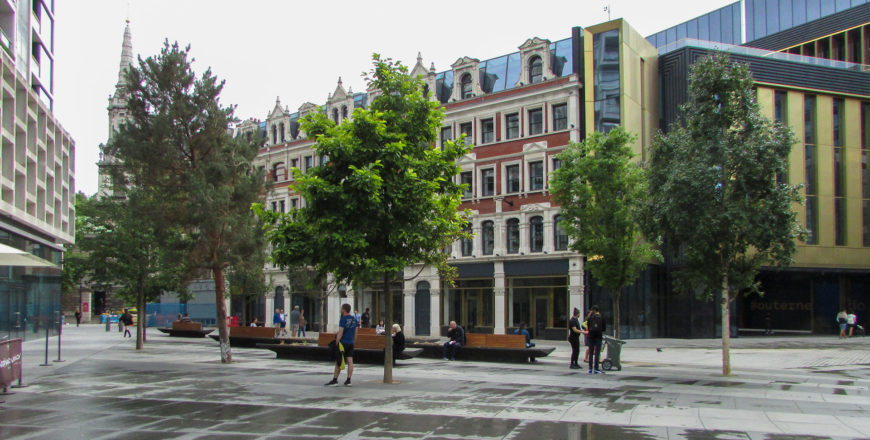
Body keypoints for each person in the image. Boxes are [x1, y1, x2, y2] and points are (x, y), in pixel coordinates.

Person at [325, 303, 357, 387]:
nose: (340, 309)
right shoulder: (354, 319)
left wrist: (336, 343)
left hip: (343, 343)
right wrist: (354, 341)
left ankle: (335, 380)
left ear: (344, 309)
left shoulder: (343, 319)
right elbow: (356, 332)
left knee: (338, 361)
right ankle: (348, 380)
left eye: (341, 308)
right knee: (350, 361)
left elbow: (340, 332)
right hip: (350, 343)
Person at [587, 305, 606, 374]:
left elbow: (588, 326)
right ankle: (596, 368)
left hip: (591, 336)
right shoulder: (602, 317)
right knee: (597, 352)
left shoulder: (590, 318)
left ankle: (590, 368)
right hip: (598, 336)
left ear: (594, 310)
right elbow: (604, 328)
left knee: (591, 352)